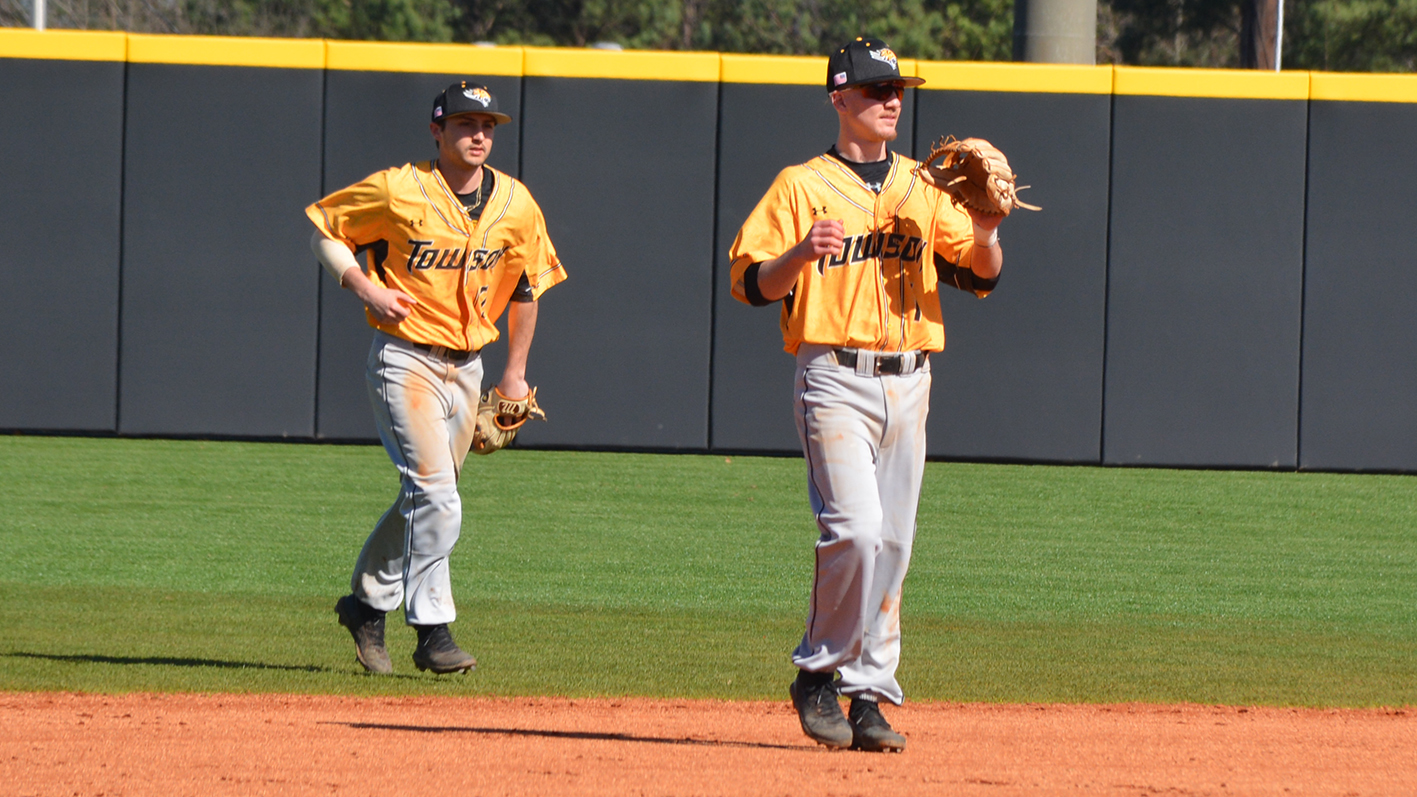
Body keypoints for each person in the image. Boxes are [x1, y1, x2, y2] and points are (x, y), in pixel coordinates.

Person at [727, 38, 1007, 751]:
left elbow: (980, 276)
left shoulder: (923, 185)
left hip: (911, 379)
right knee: (851, 529)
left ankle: (870, 695)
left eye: (898, 90)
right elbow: (750, 285)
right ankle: (817, 672)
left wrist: (986, 230)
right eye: (877, 89)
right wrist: (799, 252)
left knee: (891, 543)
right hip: (833, 377)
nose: (891, 100)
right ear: (839, 98)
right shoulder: (801, 184)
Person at [306, 81, 566, 675]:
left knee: (424, 500)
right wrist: (368, 287)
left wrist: (517, 375)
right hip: (405, 359)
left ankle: (366, 604)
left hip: (468, 367)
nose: (479, 135)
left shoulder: (517, 203)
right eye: (465, 124)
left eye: (488, 125)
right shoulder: (400, 188)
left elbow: (528, 286)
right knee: (438, 497)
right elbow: (326, 226)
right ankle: (433, 630)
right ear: (437, 131)